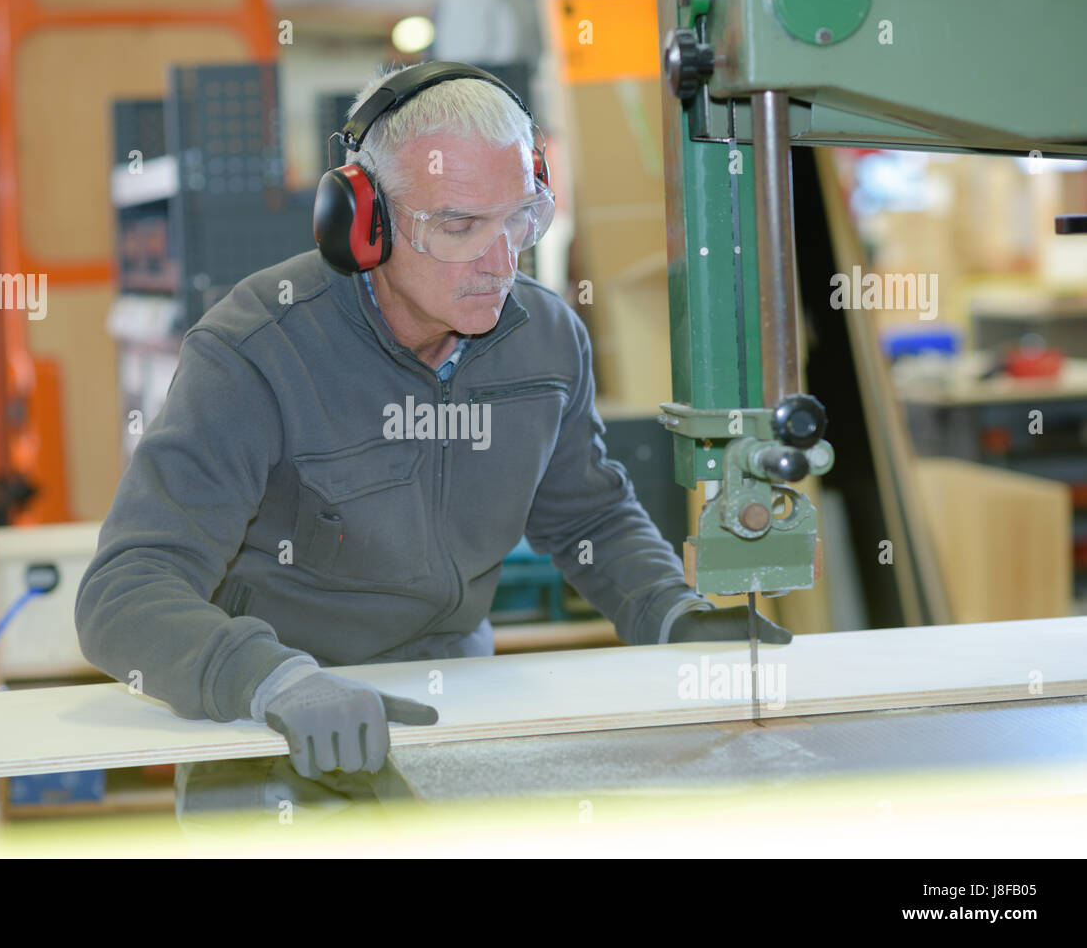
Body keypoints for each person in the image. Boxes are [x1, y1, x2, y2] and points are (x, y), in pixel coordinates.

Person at [74, 61, 790, 825]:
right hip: (270, 729)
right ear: (363, 223)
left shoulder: (543, 341)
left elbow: (588, 518)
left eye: (520, 217)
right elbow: (125, 591)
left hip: (453, 712)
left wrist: (672, 613)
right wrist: (271, 680)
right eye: (458, 226)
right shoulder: (256, 350)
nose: (500, 261)